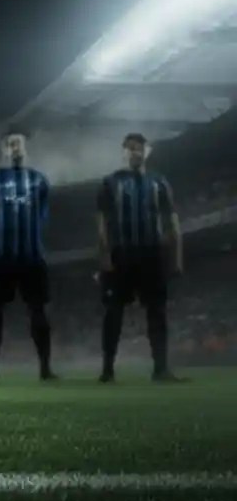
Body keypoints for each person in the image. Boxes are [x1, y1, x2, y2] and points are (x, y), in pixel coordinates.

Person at [96, 132, 185, 382]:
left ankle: (161, 369)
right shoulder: (110, 182)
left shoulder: (159, 182)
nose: (135, 152)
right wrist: (104, 256)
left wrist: (176, 257)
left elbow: (172, 221)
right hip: (121, 254)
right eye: (130, 148)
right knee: (113, 312)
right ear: (123, 152)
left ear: (147, 151)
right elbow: (102, 224)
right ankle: (107, 369)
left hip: (152, 254)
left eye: (139, 148)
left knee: (157, 311)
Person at [0, 125, 56, 381]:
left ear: (25, 147)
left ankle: (45, 368)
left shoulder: (39, 180)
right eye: (11, 144)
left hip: (32, 256)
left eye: (19, 143)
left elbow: (43, 215)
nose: (15, 148)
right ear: (4, 149)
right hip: (1, 257)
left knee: (38, 311)